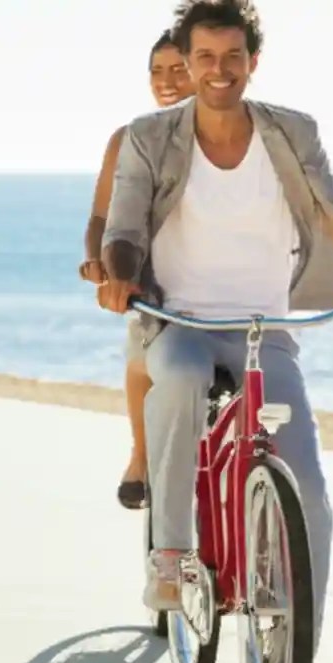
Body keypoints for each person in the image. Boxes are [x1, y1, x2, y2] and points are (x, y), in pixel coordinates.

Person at [96, 1, 333, 663]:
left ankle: (297, 662)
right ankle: (172, 555)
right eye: (205, 57)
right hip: (181, 320)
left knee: (310, 490)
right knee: (180, 374)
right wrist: (120, 276)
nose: (219, 70)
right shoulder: (150, 137)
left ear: (253, 62)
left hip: (266, 327)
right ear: (189, 61)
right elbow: (124, 227)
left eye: (233, 57)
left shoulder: (292, 132)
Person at [80, 30, 195, 510]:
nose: (166, 81)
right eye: (157, 71)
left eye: (178, 70)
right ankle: (142, 457)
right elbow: (100, 218)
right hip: (148, 277)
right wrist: (99, 264)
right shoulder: (129, 138)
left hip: (213, 277)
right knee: (142, 352)